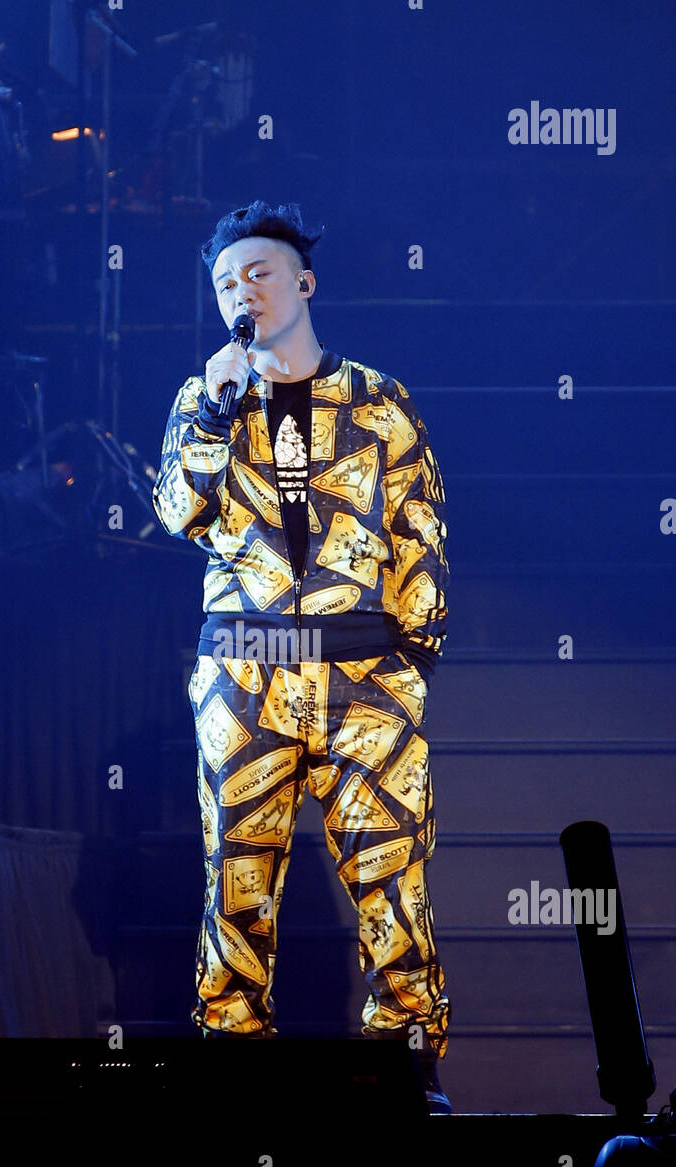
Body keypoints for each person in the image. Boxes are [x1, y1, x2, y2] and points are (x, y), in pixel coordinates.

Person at [152, 201, 452, 1113]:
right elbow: (177, 511)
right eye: (226, 281)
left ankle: (406, 1074)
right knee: (237, 880)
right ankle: (236, 1083)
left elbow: (422, 535)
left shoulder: (378, 399)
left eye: (260, 271)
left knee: (392, 880)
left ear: (304, 283)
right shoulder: (203, 402)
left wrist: (409, 668)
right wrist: (212, 405)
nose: (243, 289)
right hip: (243, 671)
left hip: (362, 672)